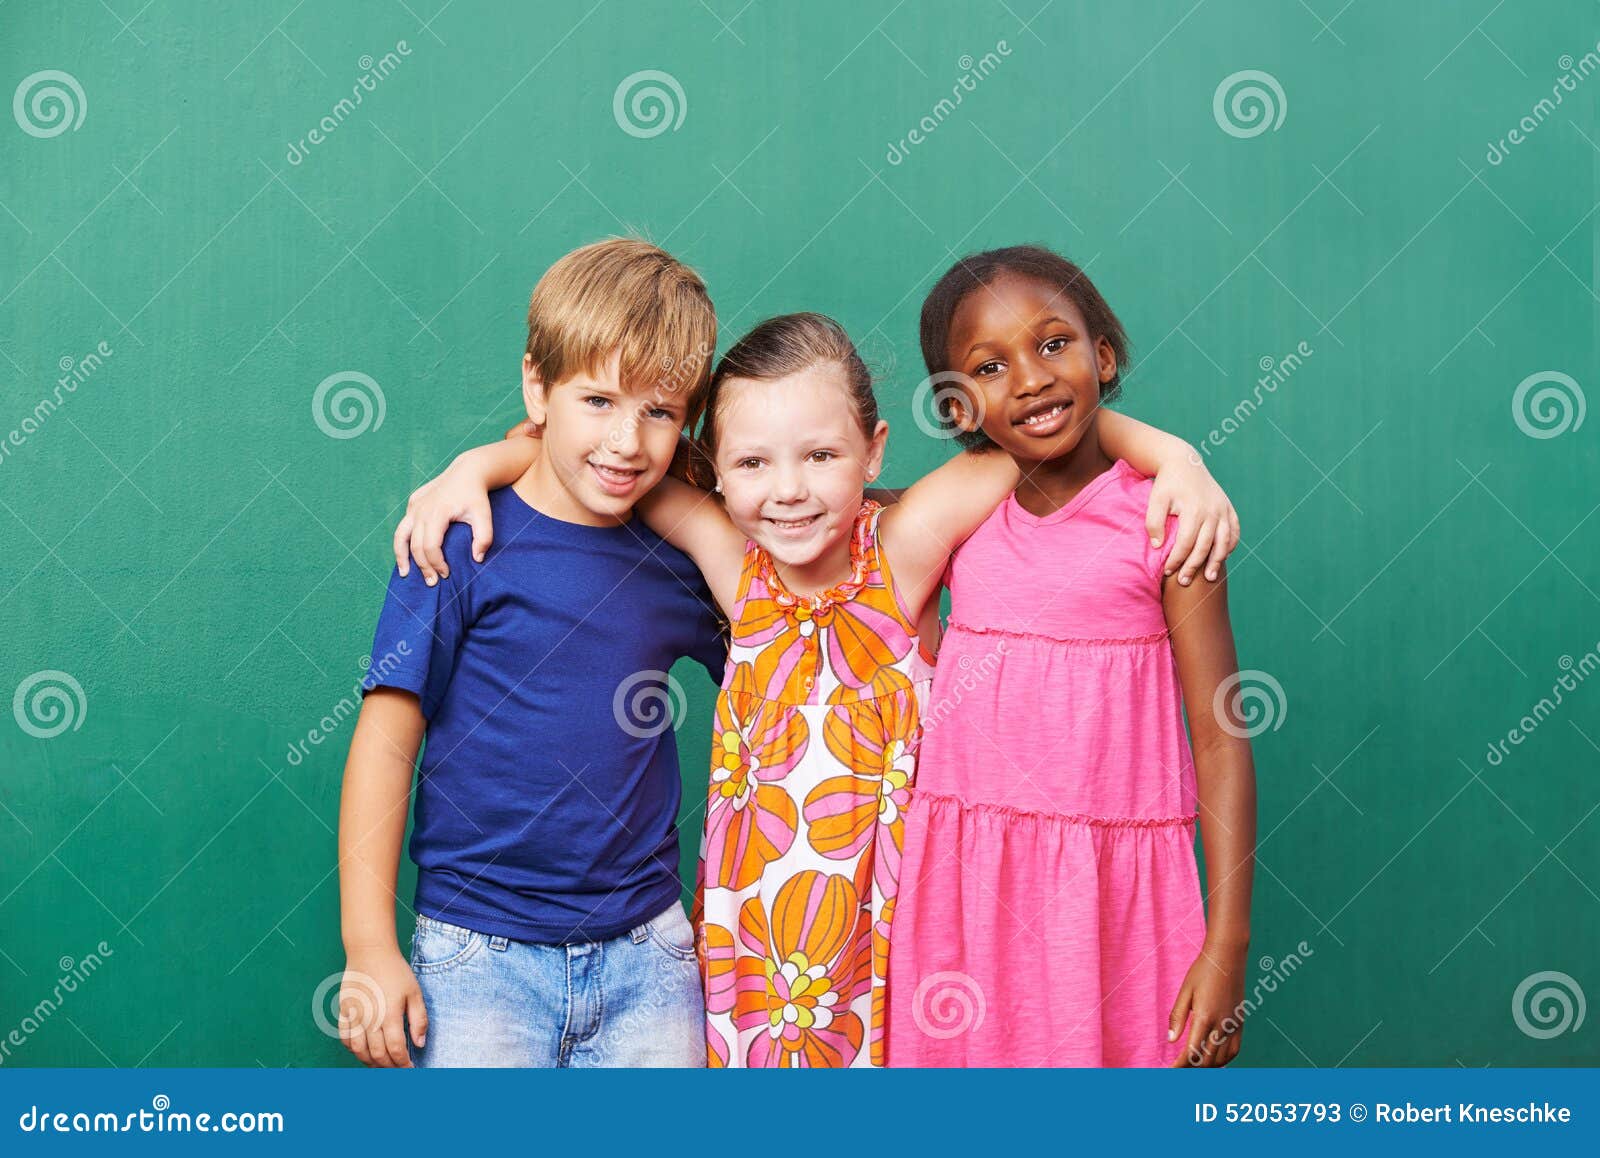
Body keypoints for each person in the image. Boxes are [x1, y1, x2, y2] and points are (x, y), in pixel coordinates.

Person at [394, 304, 1238, 1067]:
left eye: (823, 456)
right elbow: (600, 460)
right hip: (752, 964)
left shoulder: (900, 556)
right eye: (753, 462)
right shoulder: (738, 571)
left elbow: (1041, 435)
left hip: (896, 948)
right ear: (716, 471)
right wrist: (479, 463)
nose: (790, 489)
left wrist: (1177, 456)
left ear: (874, 449)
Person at [335, 238, 725, 1068]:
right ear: (537, 387)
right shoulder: (458, 540)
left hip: (648, 953)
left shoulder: (677, 559)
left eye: (659, 412)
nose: (627, 441)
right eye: (598, 400)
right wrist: (369, 947)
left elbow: (777, 642)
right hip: (479, 958)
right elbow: (386, 741)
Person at [887, 245, 1258, 1067]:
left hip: (1117, 903)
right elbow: (806, 509)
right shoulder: (957, 518)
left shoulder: (1170, 522)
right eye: (990, 366)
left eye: (1053, 343)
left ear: (1105, 356)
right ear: (956, 406)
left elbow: (1220, 737)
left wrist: (1227, 945)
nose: (1029, 379)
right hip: (966, 896)